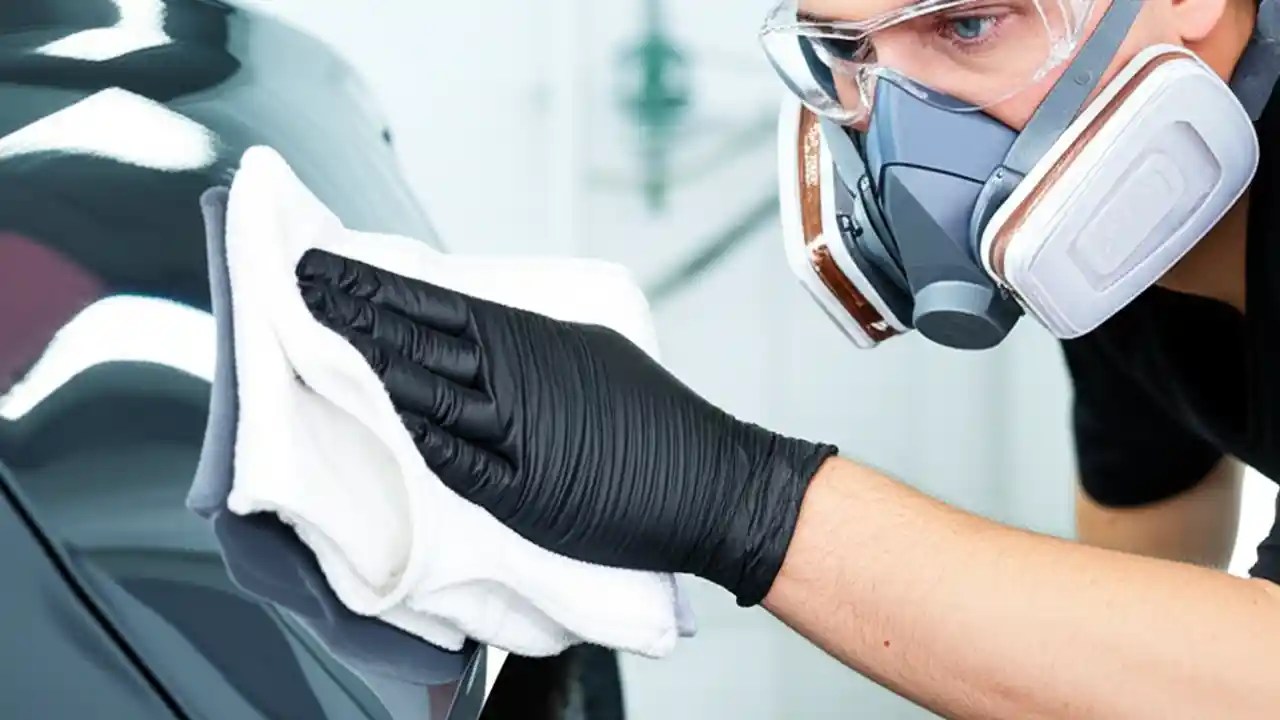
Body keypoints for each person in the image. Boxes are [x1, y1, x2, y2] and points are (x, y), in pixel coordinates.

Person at [294, 0, 1280, 715]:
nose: (901, 137)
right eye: (848, 53)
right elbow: (1139, 601)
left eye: (969, 26)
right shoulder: (1124, 229)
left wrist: (741, 502)